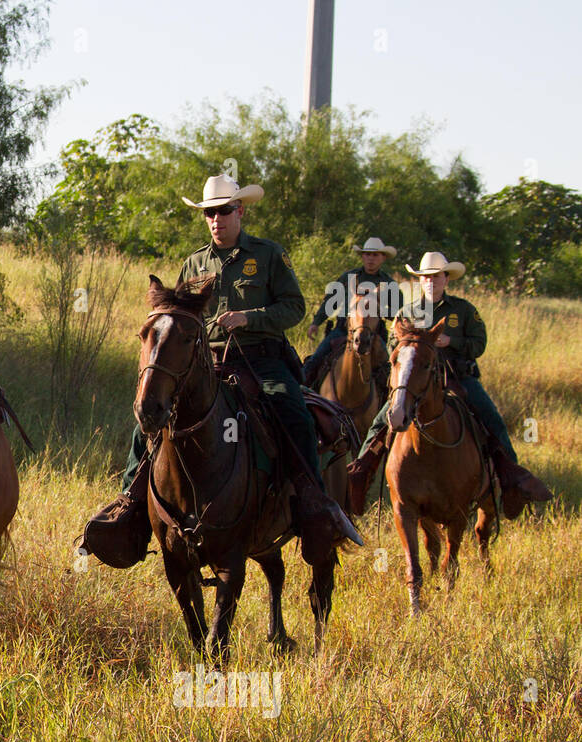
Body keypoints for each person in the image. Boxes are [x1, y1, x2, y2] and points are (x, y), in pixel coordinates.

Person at [87, 174, 362, 562]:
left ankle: (313, 499)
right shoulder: (194, 262)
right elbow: (175, 317)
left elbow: (295, 307)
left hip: (261, 359)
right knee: (150, 419)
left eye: (224, 211)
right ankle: (130, 501)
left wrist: (250, 317)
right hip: (205, 365)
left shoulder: (267, 255)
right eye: (209, 213)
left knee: (292, 412)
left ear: (240, 211)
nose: (216, 219)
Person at [345, 252, 552, 518]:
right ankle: (360, 475)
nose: (431, 281)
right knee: (380, 421)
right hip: (417, 382)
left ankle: (511, 479)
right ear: (420, 281)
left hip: (458, 379)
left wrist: (450, 342)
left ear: (446, 279)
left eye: (436, 277)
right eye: (426, 277)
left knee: (491, 418)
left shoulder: (464, 310)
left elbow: (478, 344)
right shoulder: (406, 313)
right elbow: (394, 348)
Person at [302, 236, 400, 392]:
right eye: (367, 254)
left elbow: (397, 313)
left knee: (388, 369)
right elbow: (330, 302)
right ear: (362, 256)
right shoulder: (348, 278)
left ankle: (388, 404)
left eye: (375, 255)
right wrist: (316, 323)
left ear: (383, 258)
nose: (370, 259)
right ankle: (304, 395)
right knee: (315, 360)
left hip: (373, 335)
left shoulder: (389, 283)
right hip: (343, 330)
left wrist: (378, 308)